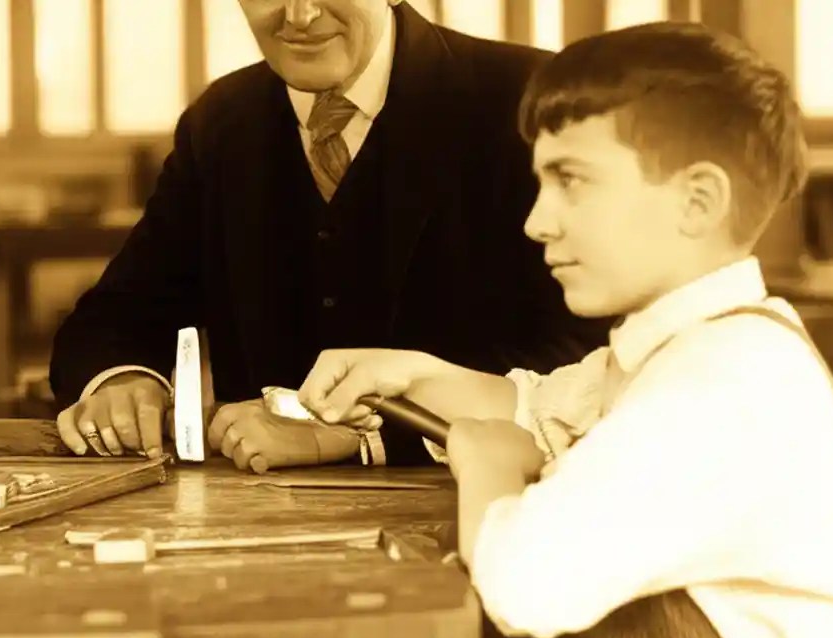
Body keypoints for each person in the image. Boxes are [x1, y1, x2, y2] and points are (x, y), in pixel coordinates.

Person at [299, 21, 833, 638]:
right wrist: (406, 373)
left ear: (698, 202)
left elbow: (525, 586)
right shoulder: (686, 351)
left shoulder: (722, 389)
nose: (536, 221)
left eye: (571, 181)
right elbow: (538, 407)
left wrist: (485, 463)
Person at [48, 0, 608, 473]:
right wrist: (123, 382)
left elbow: (588, 355)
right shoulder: (219, 123)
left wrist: (362, 433)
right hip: (261, 525)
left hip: (491, 505)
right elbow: (115, 316)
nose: (300, 15)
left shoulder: (528, 101)